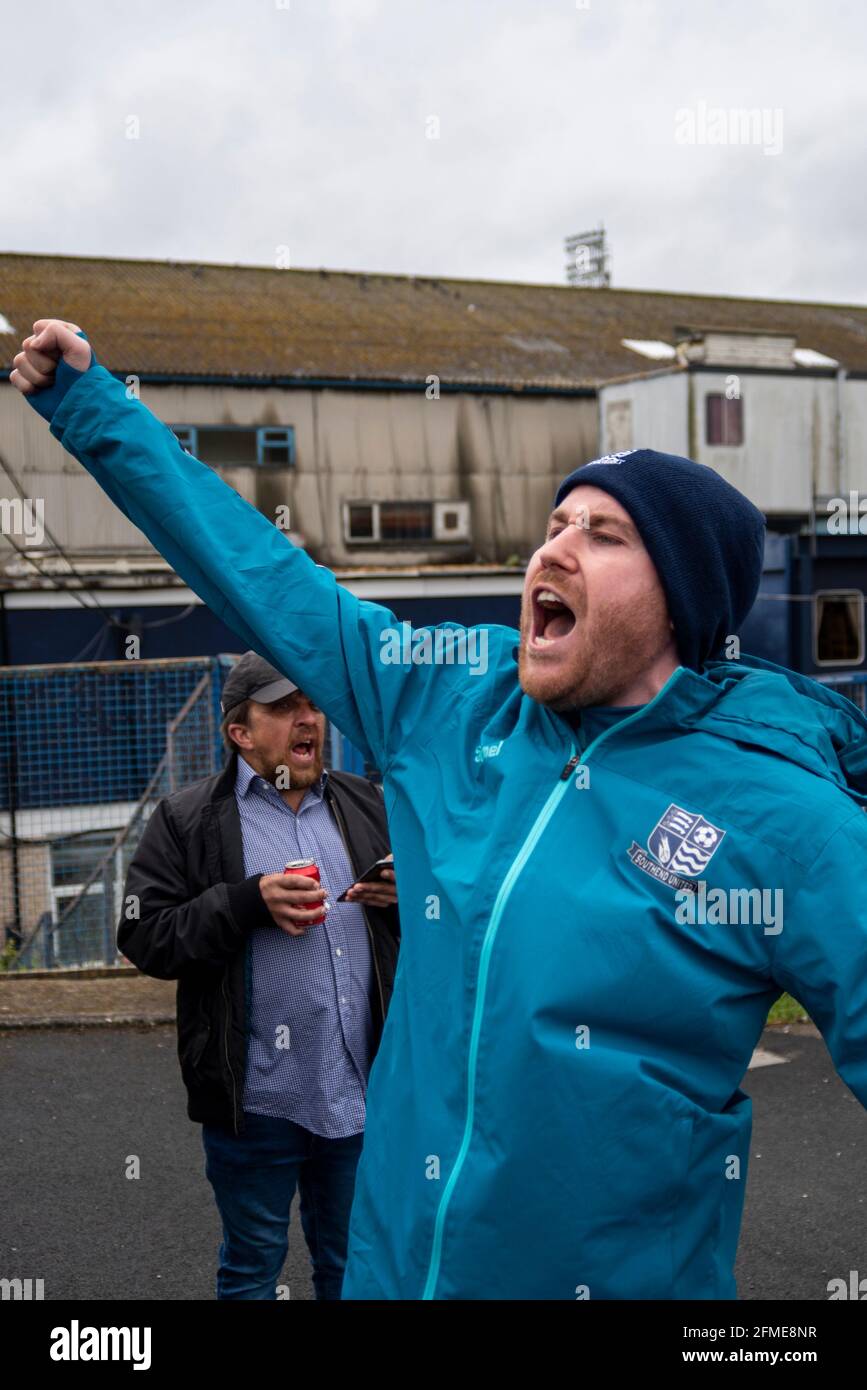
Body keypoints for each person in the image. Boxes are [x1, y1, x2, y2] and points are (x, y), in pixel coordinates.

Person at [13, 320, 867, 1301]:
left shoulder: (781, 813)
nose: (557, 546)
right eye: (556, 523)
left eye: (605, 532)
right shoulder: (449, 703)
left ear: (683, 599)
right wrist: (89, 406)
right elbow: (264, 575)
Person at [118, 649, 400, 1300]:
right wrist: (246, 902)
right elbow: (143, 936)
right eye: (282, 708)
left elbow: (435, 924)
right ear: (239, 733)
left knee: (353, 1269)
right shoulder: (186, 820)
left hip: (360, 1092)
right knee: (251, 1273)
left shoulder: (364, 802)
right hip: (257, 1102)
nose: (307, 719)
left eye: (311, 705)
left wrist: (405, 901)